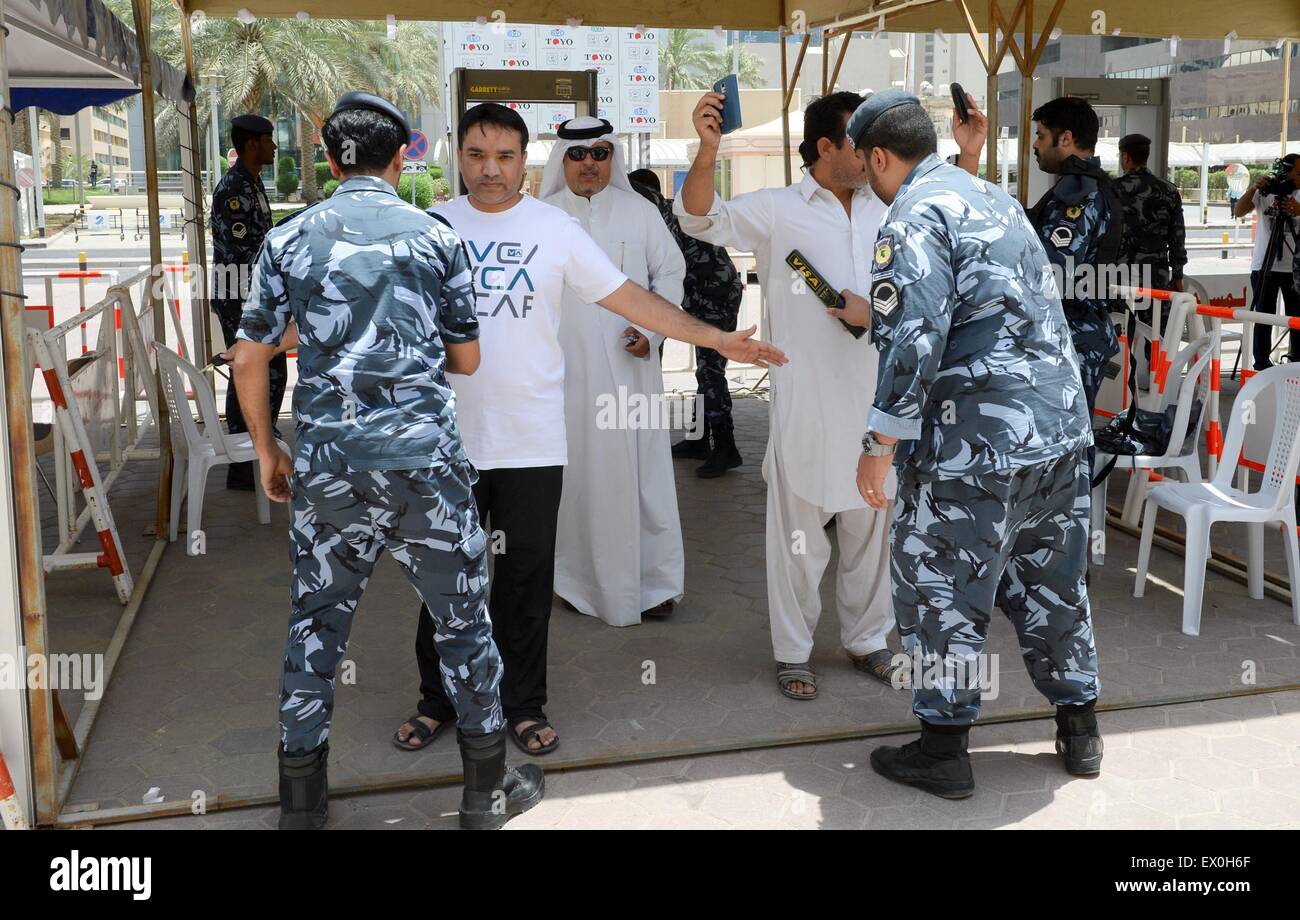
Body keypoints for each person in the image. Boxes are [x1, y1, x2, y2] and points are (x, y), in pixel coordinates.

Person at [395, 103, 785, 757]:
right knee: (445, 579)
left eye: (505, 156)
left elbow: (635, 297)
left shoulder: (554, 229)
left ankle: (521, 704)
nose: (490, 170)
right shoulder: (431, 228)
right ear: (457, 157)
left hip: (532, 442)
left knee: (522, 585)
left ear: (523, 160)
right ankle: (437, 701)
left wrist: (716, 338)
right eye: (475, 155)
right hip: (448, 443)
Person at [231, 93, 543, 830]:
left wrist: (270, 449)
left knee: (315, 626)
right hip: (424, 467)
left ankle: (301, 807)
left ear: (328, 153)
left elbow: (250, 358)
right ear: (401, 156)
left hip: (331, 467)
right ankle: (482, 795)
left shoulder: (289, 240)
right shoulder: (435, 238)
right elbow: (466, 359)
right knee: (465, 622)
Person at [835, 90, 1103, 800]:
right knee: (1054, 582)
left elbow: (912, 336)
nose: (864, 173)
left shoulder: (912, 216)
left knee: (939, 589)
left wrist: (879, 440)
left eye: (865, 162)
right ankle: (1081, 727)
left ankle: (943, 749)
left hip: (973, 448)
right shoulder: (993, 198)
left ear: (880, 156)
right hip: (1057, 434)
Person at [674, 90, 903, 700]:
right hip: (806, 403)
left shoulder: (892, 207)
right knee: (799, 542)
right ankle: (793, 653)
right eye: (862, 139)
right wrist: (707, 151)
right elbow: (699, 218)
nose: (875, 151)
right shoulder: (779, 209)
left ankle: (868, 640)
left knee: (870, 534)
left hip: (877, 405)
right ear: (827, 147)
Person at [540, 117, 687, 626]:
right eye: (578, 156)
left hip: (632, 373)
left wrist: (654, 333)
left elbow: (670, 273)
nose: (589, 165)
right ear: (563, 160)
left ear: (612, 159)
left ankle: (654, 585)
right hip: (567, 378)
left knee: (644, 479)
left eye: (600, 154)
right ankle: (575, 583)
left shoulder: (639, 211)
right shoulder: (543, 216)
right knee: (575, 482)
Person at [962, 96, 1121, 420]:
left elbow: (1049, 269)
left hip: (1071, 336)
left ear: (1065, 139)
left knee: (1067, 445)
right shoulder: (1073, 190)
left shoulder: (1081, 197)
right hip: (1064, 333)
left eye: (1040, 135)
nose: (1034, 145)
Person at [628, 168, 746, 478]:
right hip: (697, 294)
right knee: (705, 370)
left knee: (710, 369)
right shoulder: (661, 214)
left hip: (715, 293)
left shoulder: (661, 214)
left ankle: (725, 446)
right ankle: (698, 439)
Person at [210, 113, 283, 490]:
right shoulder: (235, 189)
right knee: (252, 370)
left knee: (266, 371)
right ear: (252, 144)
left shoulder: (252, 183)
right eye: (269, 140)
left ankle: (252, 454)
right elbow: (246, 251)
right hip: (239, 295)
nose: (274, 146)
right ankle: (243, 463)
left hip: (252, 294)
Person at [1234, 153, 1300, 369]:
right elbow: (1239, 210)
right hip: (1264, 265)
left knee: (1297, 318)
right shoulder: (1266, 191)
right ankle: (1261, 363)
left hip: (1295, 268)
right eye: (1298, 173)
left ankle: (1296, 362)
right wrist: (1254, 188)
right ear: (1286, 172)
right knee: (1263, 316)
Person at [1114, 133, 1188, 295]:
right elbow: (1177, 237)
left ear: (1125, 157)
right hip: (1155, 274)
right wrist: (1177, 274)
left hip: (1118, 274)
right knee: (1154, 319)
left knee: (1120, 319)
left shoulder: (1112, 190)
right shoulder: (1168, 190)